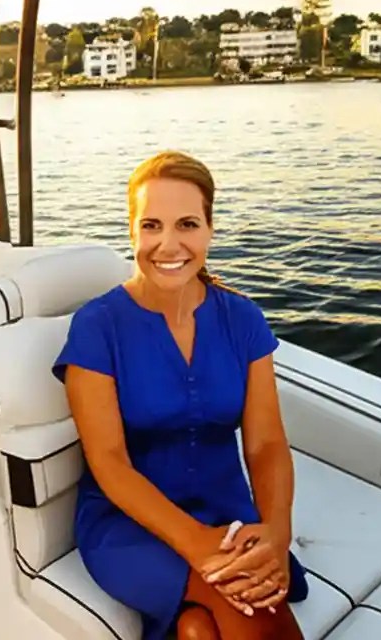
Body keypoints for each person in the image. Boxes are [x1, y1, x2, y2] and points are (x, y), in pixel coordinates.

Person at [51, 151, 308, 640]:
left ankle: (186, 625)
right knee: (257, 616)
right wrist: (200, 547)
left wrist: (276, 530)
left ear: (210, 229)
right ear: (131, 231)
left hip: (225, 509)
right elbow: (110, 465)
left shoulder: (244, 320)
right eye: (151, 226)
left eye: (187, 224)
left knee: (203, 628)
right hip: (128, 523)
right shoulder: (97, 327)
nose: (168, 244)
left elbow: (267, 444)